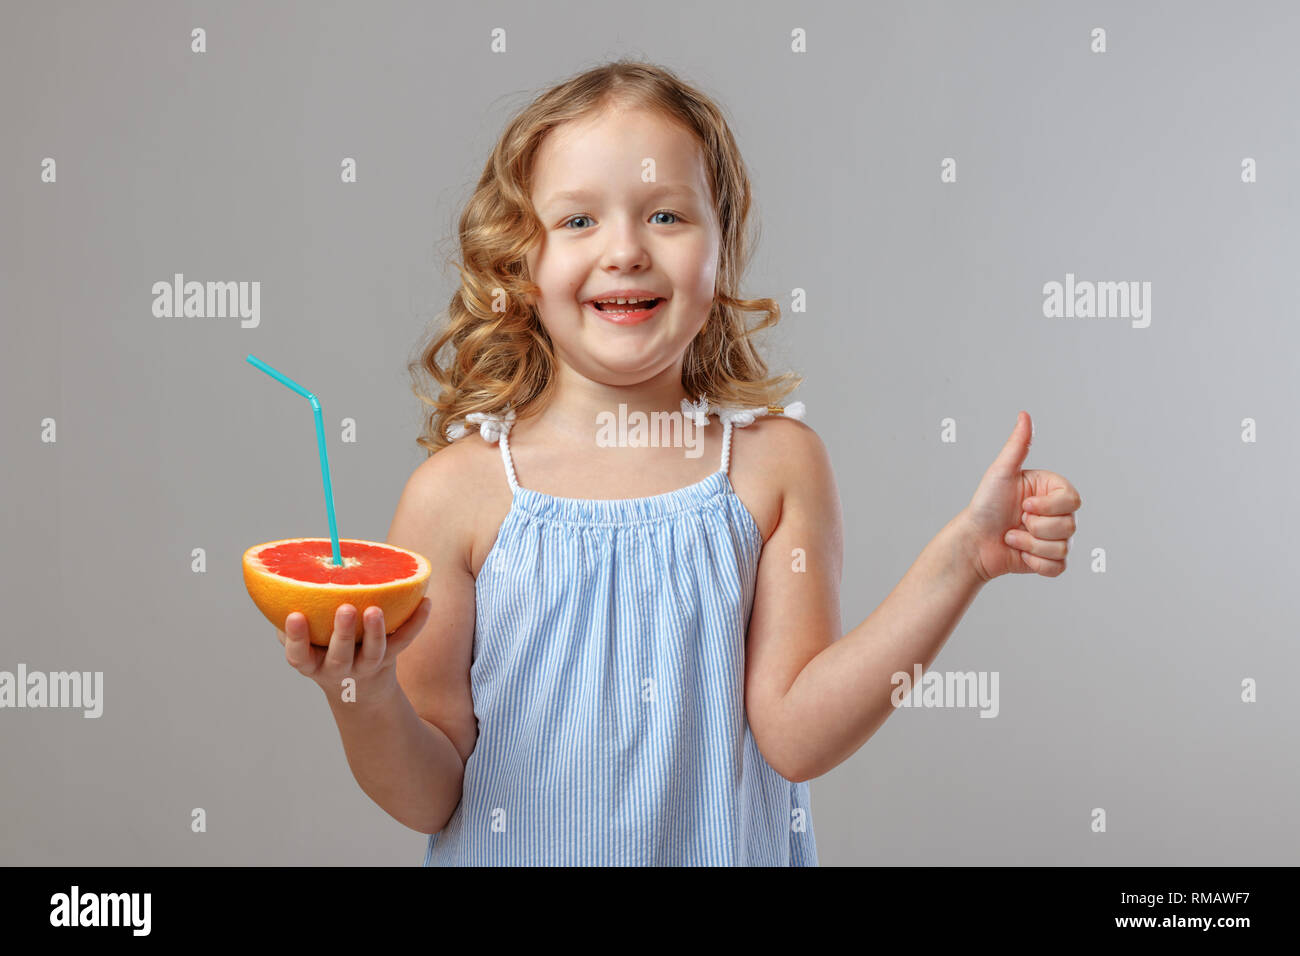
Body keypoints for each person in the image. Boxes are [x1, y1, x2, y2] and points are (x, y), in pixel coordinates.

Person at [277, 60, 1082, 867]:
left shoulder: (775, 469)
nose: (625, 251)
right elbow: (429, 794)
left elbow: (799, 736)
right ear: (520, 267)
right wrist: (364, 694)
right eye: (578, 221)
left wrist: (961, 562)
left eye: (666, 215)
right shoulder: (456, 493)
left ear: (721, 248)